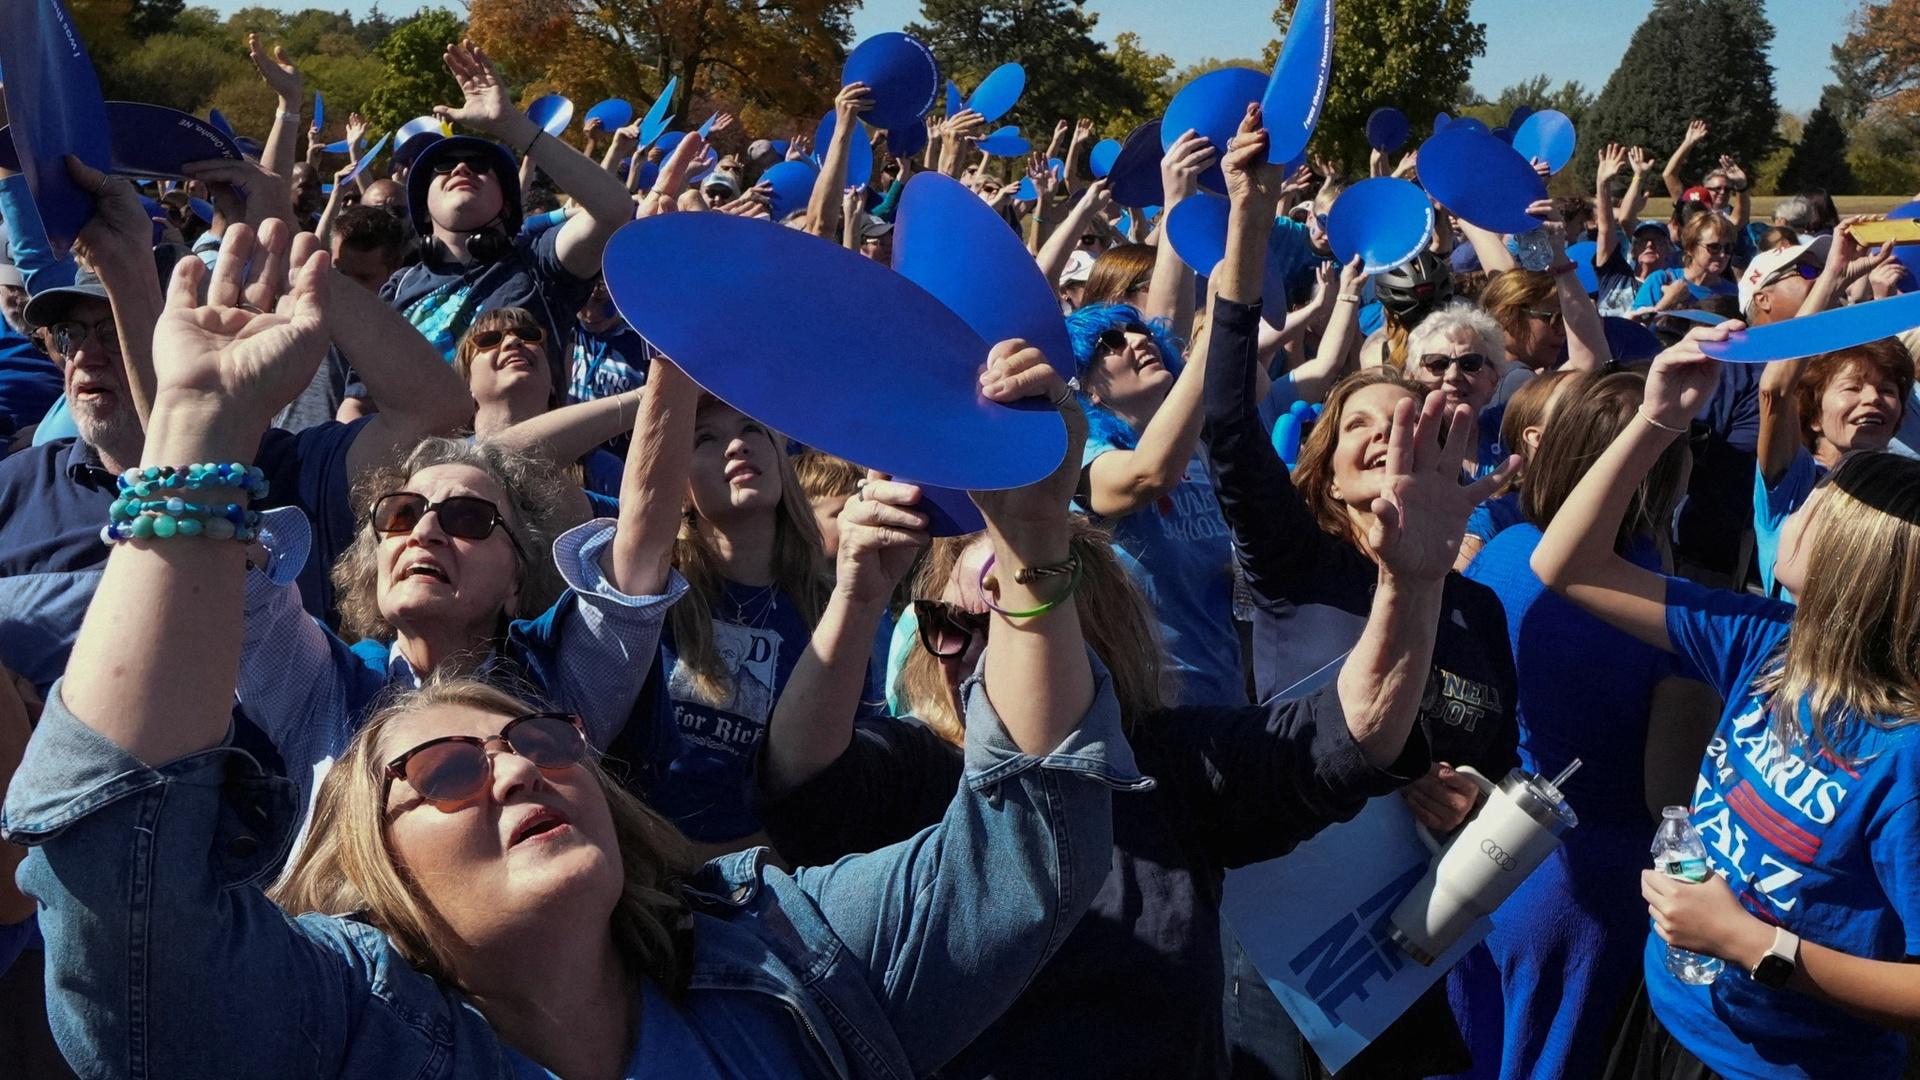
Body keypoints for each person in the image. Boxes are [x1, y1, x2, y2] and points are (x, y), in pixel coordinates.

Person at [0, 236, 1139, 1076]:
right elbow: (116, 876)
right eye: (441, 772)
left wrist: (1036, 549)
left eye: (540, 739)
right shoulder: (325, 1034)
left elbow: (1033, 845)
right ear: (358, 865)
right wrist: (196, 434)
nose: (512, 767)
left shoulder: (797, 955)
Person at [755, 345, 1500, 1078]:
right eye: (952, 631)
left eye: (1009, 619)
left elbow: (1352, 735)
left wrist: (1413, 584)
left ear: (1095, 631)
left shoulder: (1170, 768)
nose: (978, 665)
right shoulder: (914, 769)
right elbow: (804, 785)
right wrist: (856, 597)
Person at [1201, 103, 1522, 1077]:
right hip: (1284, 941)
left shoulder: (1477, 607)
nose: (1388, 436)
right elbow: (1225, 419)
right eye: (1359, 431)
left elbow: (1501, 755)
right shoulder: (1297, 568)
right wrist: (1251, 219)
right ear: (1327, 475)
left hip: (1416, 941)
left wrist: (1476, 800)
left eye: (1410, 420)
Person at [1531, 327, 1920, 1080]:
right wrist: (1660, 415)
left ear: (1858, 567)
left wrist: (1754, 946)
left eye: (1822, 506)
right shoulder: (1765, 642)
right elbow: (1566, 562)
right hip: (1672, 1014)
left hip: (1779, 1064)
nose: (1799, 505)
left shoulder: (1905, 753)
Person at [1445, 370, 1696, 1080]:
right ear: (1666, 471)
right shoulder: (1673, 617)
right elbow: (1668, 794)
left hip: (1484, 853)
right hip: (1587, 893)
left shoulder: (1500, 552)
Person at [656, 394, 841, 847]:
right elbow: (510, 455)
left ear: (781, 459)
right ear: (679, 490)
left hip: (775, 879)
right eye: (705, 438)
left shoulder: (833, 607)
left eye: (751, 429)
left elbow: (837, 776)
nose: (736, 446)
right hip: (650, 870)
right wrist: (653, 399)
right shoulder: (650, 590)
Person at [382, 41, 640, 365]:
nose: (462, 168)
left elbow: (614, 210)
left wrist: (512, 125)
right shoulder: (397, 288)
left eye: (479, 165)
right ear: (421, 206)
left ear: (507, 205)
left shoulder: (539, 265)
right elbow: (359, 401)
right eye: (443, 167)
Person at [1068, 300, 1242, 707]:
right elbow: (1147, 475)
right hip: (1150, 709)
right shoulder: (1084, 455)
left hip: (1225, 693)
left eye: (1141, 331)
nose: (1136, 340)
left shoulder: (1197, 454)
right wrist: (1217, 330)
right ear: (1086, 389)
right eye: (1110, 341)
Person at [1634, 212, 1739, 311]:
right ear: (1691, 248)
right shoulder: (1661, 280)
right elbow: (1635, 327)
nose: (1722, 254)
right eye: (1714, 247)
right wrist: (1669, 301)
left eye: (1728, 248)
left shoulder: (1733, 293)